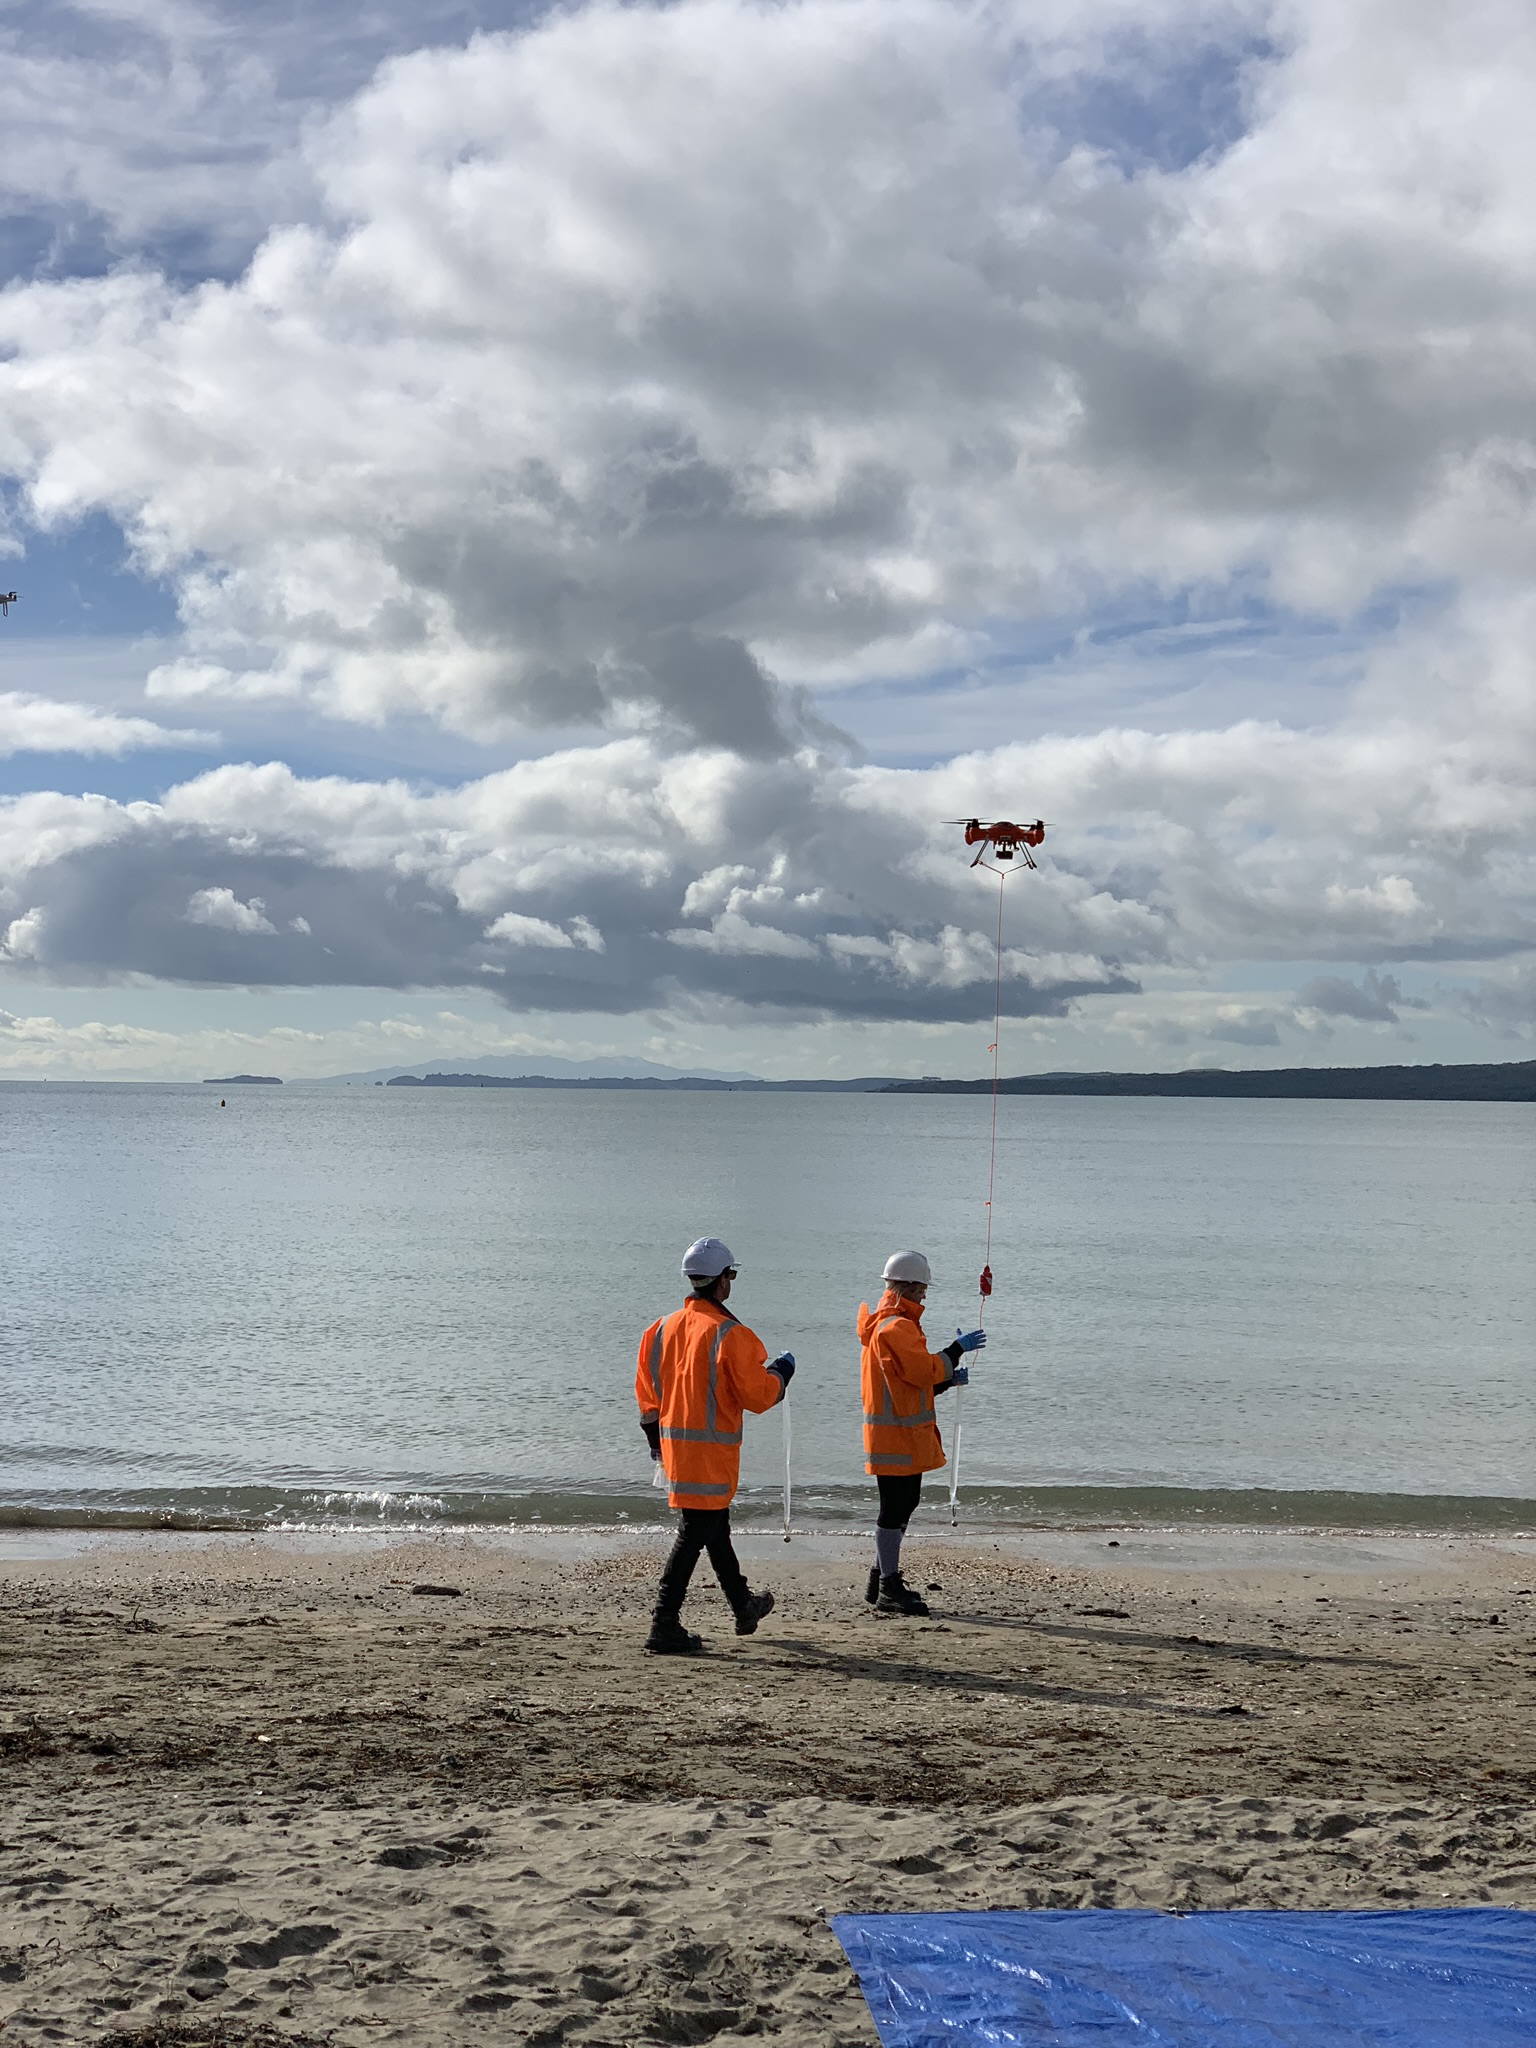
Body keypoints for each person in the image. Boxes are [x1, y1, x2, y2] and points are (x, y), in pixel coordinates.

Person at [635, 1236, 795, 1655]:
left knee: (712, 1528)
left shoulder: (659, 1329)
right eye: (731, 1275)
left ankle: (744, 1605)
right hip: (712, 1455)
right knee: (694, 1534)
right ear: (722, 1281)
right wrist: (782, 1371)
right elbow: (759, 1397)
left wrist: (658, 1447)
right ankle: (663, 1624)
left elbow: (646, 1401)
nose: (731, 1283)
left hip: (674, 1450)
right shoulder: (730, 1334)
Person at [857, 1250, 986, 1616]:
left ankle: (881, 1577)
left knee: (904, 1503)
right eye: (921, 1288)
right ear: (906, 1287)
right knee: (894, 1507)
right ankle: (888, 1586)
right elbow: (921, 1371)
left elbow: (906, 1382)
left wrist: (945, 1380)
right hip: (894, 1436)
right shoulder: (895, 1327)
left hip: (897, 1432)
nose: (924, 1295)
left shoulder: (889, 1325)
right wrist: (955, 1352)